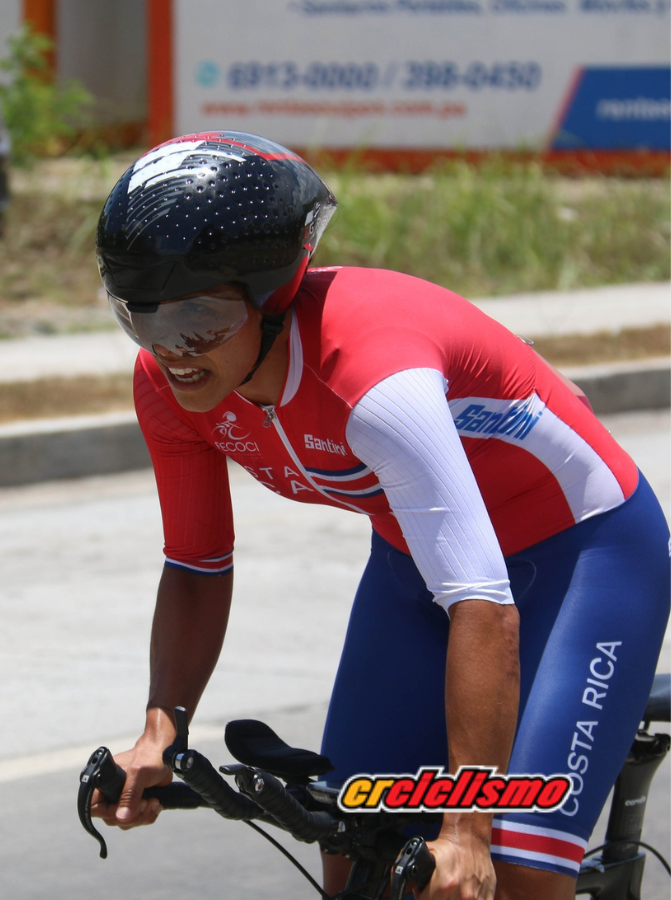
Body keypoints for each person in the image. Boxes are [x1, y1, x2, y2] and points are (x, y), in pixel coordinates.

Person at [84, 132, 669, 900]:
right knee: (357, 850)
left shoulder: (368, 379)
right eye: (142, 317)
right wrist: (161, 733)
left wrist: (466, 829)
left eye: (198, 319)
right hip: (418, 572)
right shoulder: (167, 388)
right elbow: (196, 565)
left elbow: (484, 605)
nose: (171, 350)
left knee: (512, 873)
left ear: (271, 296)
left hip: (585, 560)